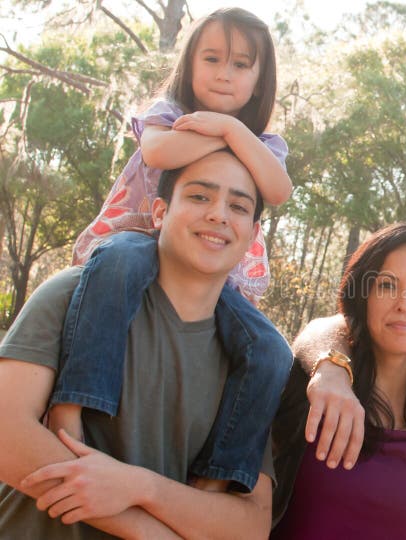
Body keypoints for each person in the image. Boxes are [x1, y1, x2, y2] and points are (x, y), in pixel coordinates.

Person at [47, 7, 292, 493]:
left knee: (271, 350)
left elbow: (278, 189)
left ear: (259, 79)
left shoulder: (262, 141)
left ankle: (217, 475)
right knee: (116, 264)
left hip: (212, 274)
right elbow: (159, 154)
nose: (225, 72)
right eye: (213, 58)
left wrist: (231, 130)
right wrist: (221, 135)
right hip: (141, 239)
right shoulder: (168, 113)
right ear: (190, 63)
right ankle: (70, 406)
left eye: (242, 64)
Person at [0, 150, 292, 538]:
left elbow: (250, 523)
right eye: (199, 197)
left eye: (238, 206)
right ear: (159, 212)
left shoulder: (254, 361)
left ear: (253, 236)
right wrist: (146, 531)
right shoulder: (73, 294)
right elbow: (7, 436)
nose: (219, 215)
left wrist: (142, 487)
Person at [270, 224, 406, 539]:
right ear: (363, 297)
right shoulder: (312, 393)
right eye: (386, 285)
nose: (405, 304)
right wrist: (332, 370)